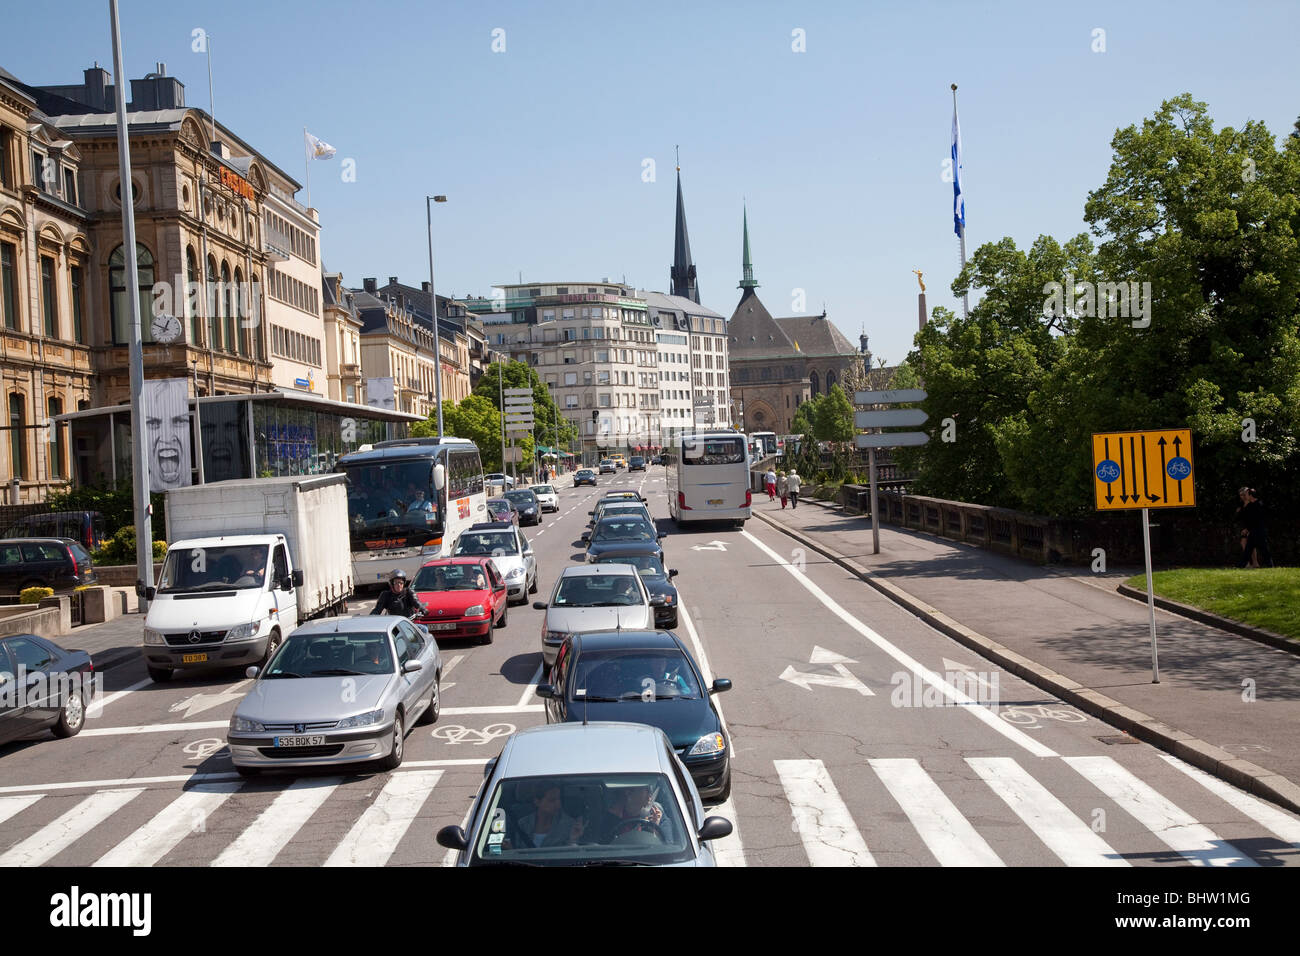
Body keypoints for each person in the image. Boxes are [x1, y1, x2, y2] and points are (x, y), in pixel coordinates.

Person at [514, 785, 585, 848]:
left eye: (559, 799)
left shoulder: (569, 825)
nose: (558, 805)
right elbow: (516, 850)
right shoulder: (523, 824)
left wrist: (573, 840)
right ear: (537, 802)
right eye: (552, 800)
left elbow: (571, 852)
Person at [598, 783, 673, 844]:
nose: (650, 793)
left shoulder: (658, 815)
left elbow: (666, 848)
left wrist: (654, 827)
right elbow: (605, 849)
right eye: (646, 788)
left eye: (650, 789)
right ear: (628, 792)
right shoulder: (610, 818)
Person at [1235, 487, 1272, 568]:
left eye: (1246, 495)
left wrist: (1248, 529)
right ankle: (1241, 565)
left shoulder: (1258, 504)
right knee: (1248, 550)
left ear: (1250, 496)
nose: (1245, 496)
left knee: (1263, 549)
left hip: (1259, 531)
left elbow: (1257, 520)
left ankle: (1270, 566)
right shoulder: (1251, 505)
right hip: (1254, 531)